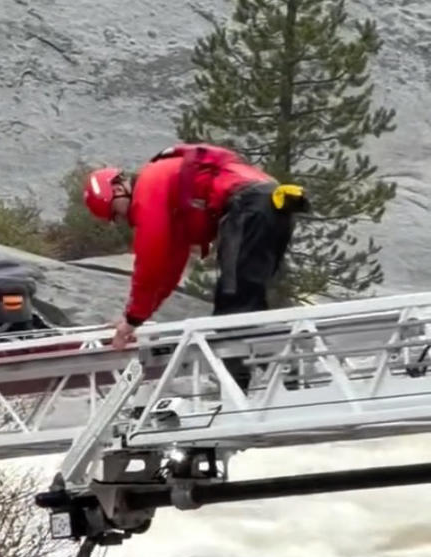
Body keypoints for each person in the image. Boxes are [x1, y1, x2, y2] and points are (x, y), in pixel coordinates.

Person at [83, 143, 310, 385]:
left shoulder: (149, 191)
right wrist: (138, 317)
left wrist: (131, 319)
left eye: (114, 213)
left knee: (233, 310)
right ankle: (278, 376)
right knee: (247, 301)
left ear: (118, 189)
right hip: (270, 205)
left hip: (247, 207)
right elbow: (169, 270)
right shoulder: (167, 193)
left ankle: (241, 390)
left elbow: (149, 262)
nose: (120, 220)